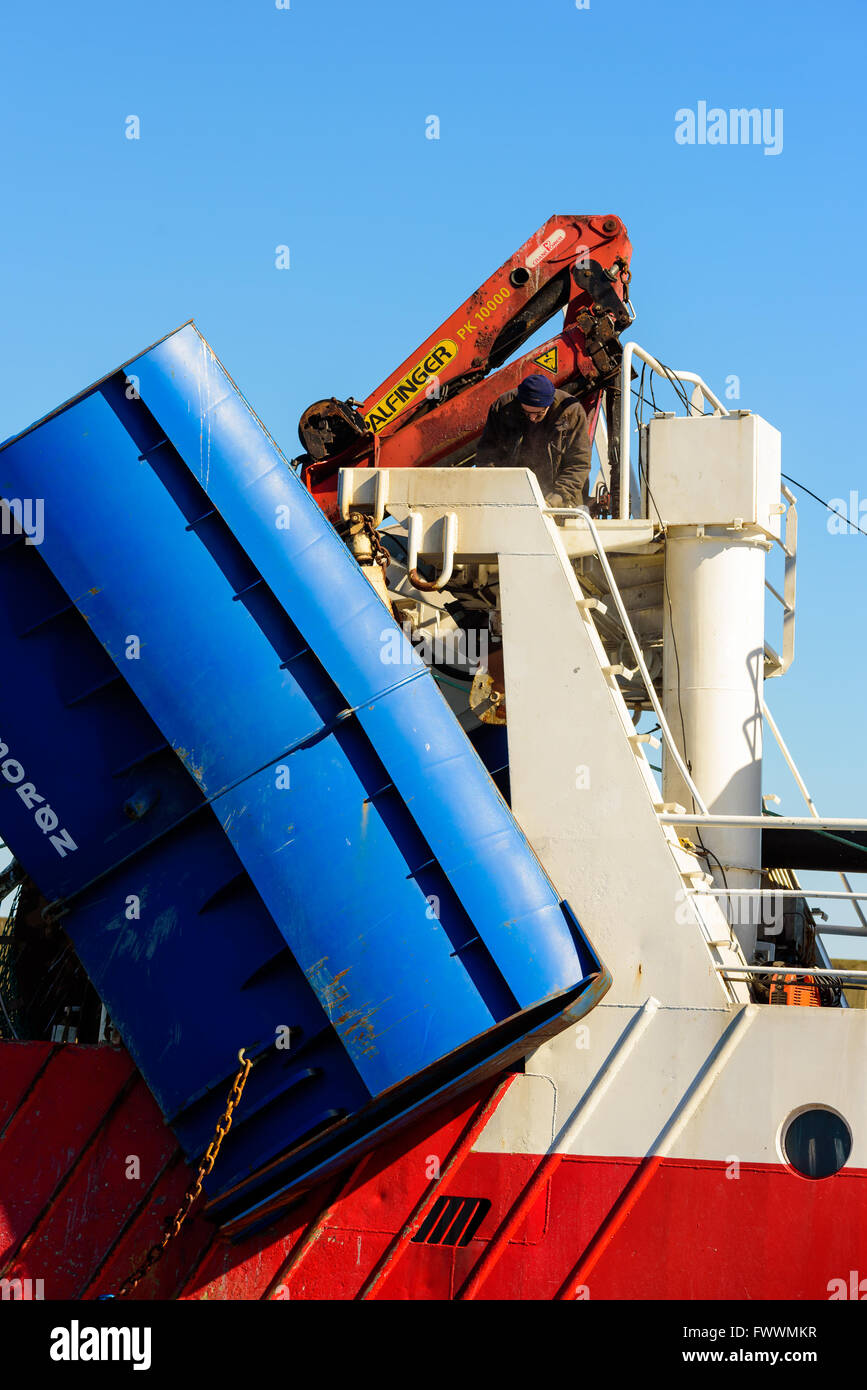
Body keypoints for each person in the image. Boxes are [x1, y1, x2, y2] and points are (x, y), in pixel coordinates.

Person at [475, 372, 592, 509]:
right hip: (511, 498)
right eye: (526, 412)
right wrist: (496, 493)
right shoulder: (502, 407)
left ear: (549, 405)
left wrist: (554, 501)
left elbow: (579, 464)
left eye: (538, 414)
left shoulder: (571, 412)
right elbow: (487, 455)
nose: (532, 418)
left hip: (561, 500)